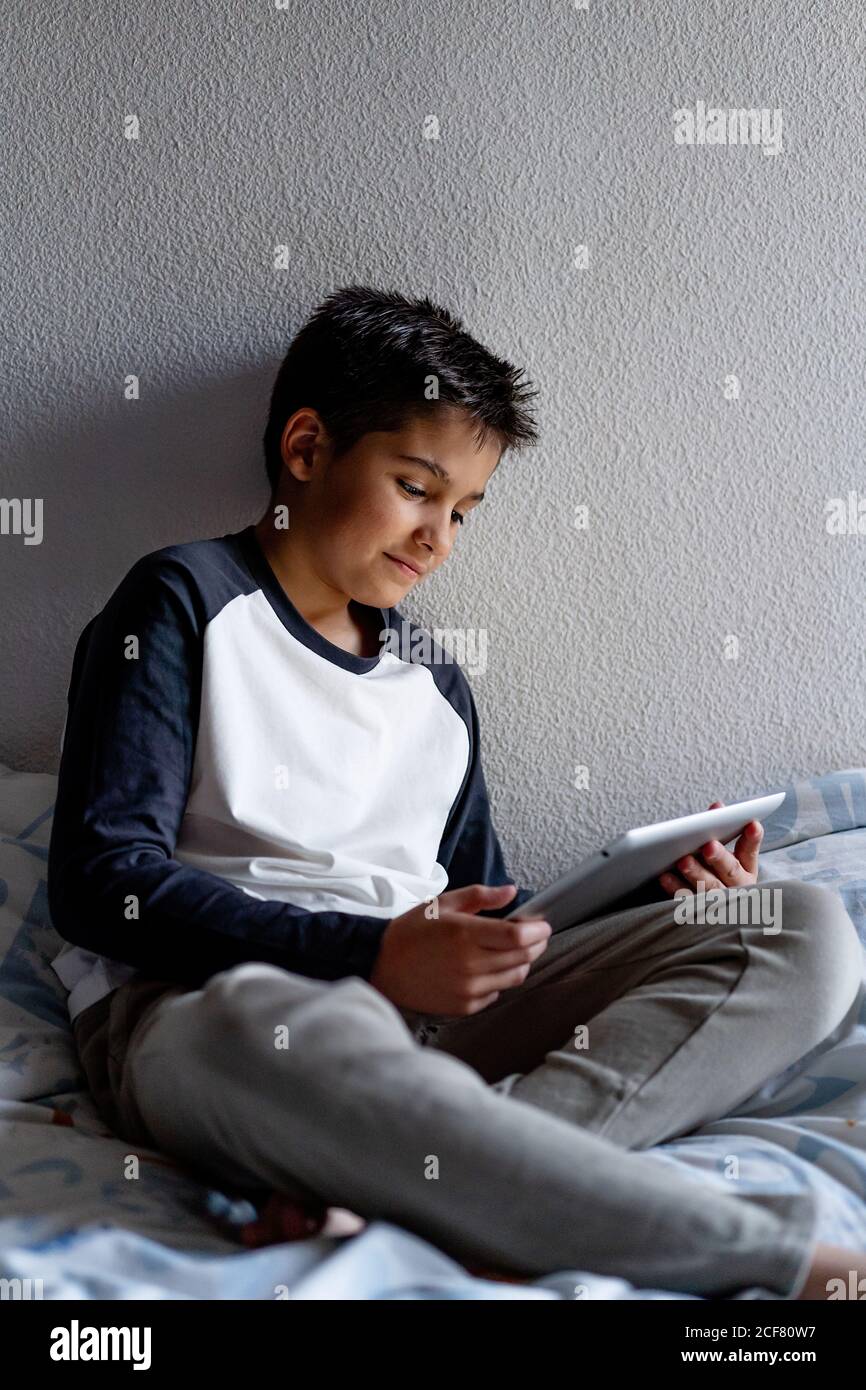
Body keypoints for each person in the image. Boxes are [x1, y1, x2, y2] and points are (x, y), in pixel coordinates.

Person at [48, 286, 865, 1299]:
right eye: (415, 487)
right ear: (306, 449)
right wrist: (370, 954)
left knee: (801, 928)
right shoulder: (181, 602)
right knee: (263, 1022)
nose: (439, 537)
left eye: (463, 512)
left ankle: (435, 1190)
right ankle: (781, 1261)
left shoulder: (434, 680)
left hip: (430, 1024)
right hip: (228, 1003)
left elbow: (494, 913)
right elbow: (102, 882)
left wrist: (656, 902)